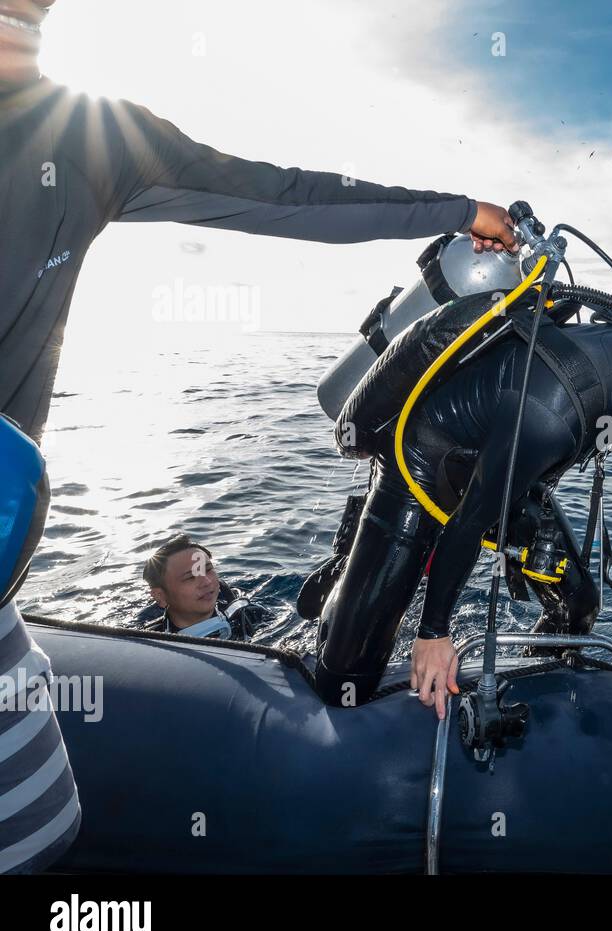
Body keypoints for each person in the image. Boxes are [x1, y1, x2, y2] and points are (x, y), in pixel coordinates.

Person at [0, 0, 516, 873]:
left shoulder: (88, 136)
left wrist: (457, 207)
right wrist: (466, 206)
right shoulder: (91, 135)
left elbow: (287, 194)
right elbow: (290, 196)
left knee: (43, 825)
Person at [311, 271, 612, 717]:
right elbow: (474, 516)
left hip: (514, 471)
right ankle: (349, 574)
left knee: (577, 606)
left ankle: (531, 695)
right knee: (345, 683)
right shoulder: (557, 402)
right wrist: (434, 633)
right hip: (428, 464)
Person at [136, 534, 268, 641]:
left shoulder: (251, 616)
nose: (206, 582)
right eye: (190, 577)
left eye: (208, 569)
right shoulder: (148, 642)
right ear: (161, 596)